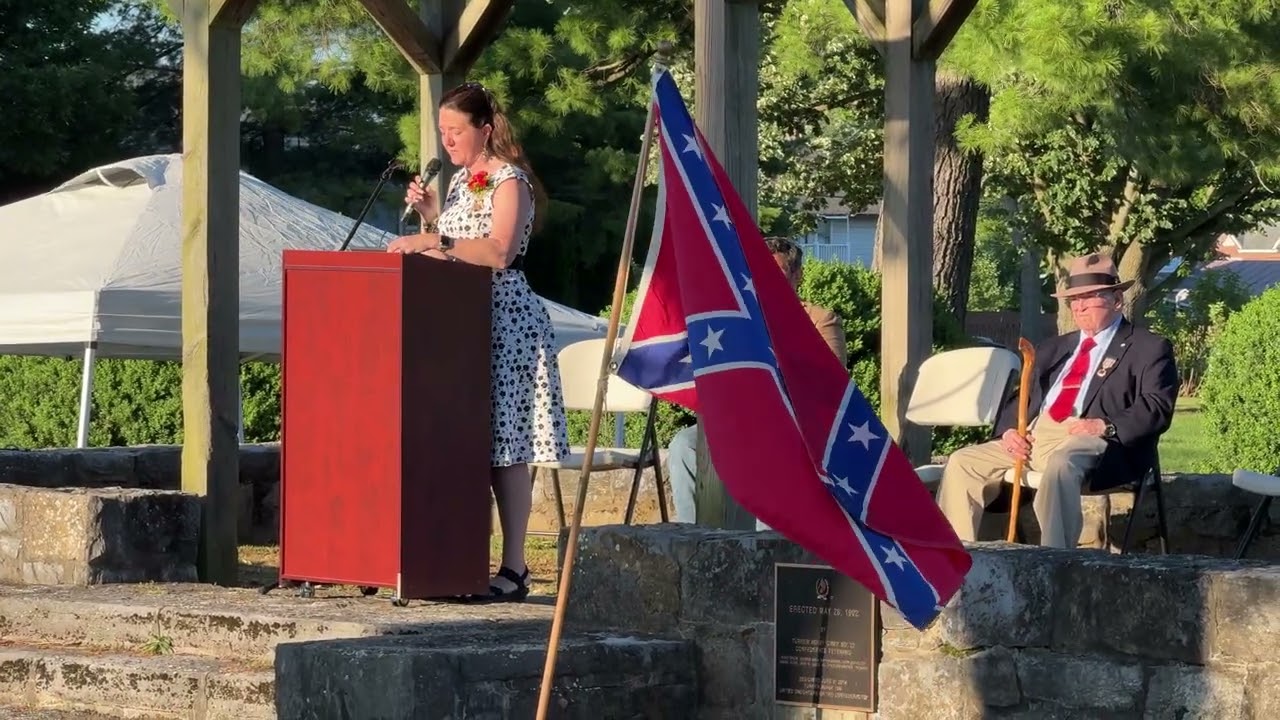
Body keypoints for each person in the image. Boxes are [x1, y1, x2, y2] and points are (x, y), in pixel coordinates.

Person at [388, 82, 569, 602]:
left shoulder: (509, 180)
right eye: (442, 132)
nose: (447, 141)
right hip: (460, 326)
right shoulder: (467, 180)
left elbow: (497, 254)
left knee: (507, 447)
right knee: (472, 443)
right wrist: (430, 215)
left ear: (484, 129)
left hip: (507, 324)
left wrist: (434, 238)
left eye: (456, 131)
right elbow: (457, 247)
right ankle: (458, 559)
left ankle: (515, 569)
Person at [935, 252, 1178, 549]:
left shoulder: (1148, 347)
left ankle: (1056, 563)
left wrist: (1104, 425)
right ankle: (953, 562)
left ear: (1117, 299)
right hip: (1036, 434)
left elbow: (1157, 406)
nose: (1080, 306)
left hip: (1093, 437)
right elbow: (1022, 396)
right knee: (963, 463)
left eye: (1090, 297)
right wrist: (1009, 431)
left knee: (1062, 465)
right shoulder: (1055, 348)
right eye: (1074, 299)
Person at [665, 236, 848, 527]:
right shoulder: (738, 320)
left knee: (771, 451)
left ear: (797, 275)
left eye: (776, 272)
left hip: (797, 424)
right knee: (684, 445)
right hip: (744, 418)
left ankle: (766, 549)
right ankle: (696, 538)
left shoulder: (819, 320)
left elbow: (832, 384)